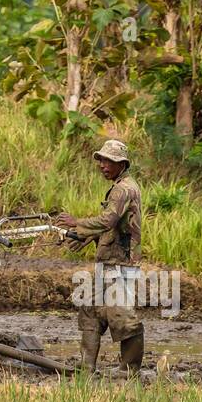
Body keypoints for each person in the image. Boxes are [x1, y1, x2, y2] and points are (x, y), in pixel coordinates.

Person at [56, 138, 144, 376]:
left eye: (109, 161)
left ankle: (129, 370)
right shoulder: (118, 187)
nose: (103, 165)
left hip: (121, 263)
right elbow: (110, 226)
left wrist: (77, 223)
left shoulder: (124, 189)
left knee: (122, 317)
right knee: (91, 310)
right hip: (107, 260)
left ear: (122, 164)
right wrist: (83, 236)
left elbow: (108, 221)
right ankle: (87, 367)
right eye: (102, 160)